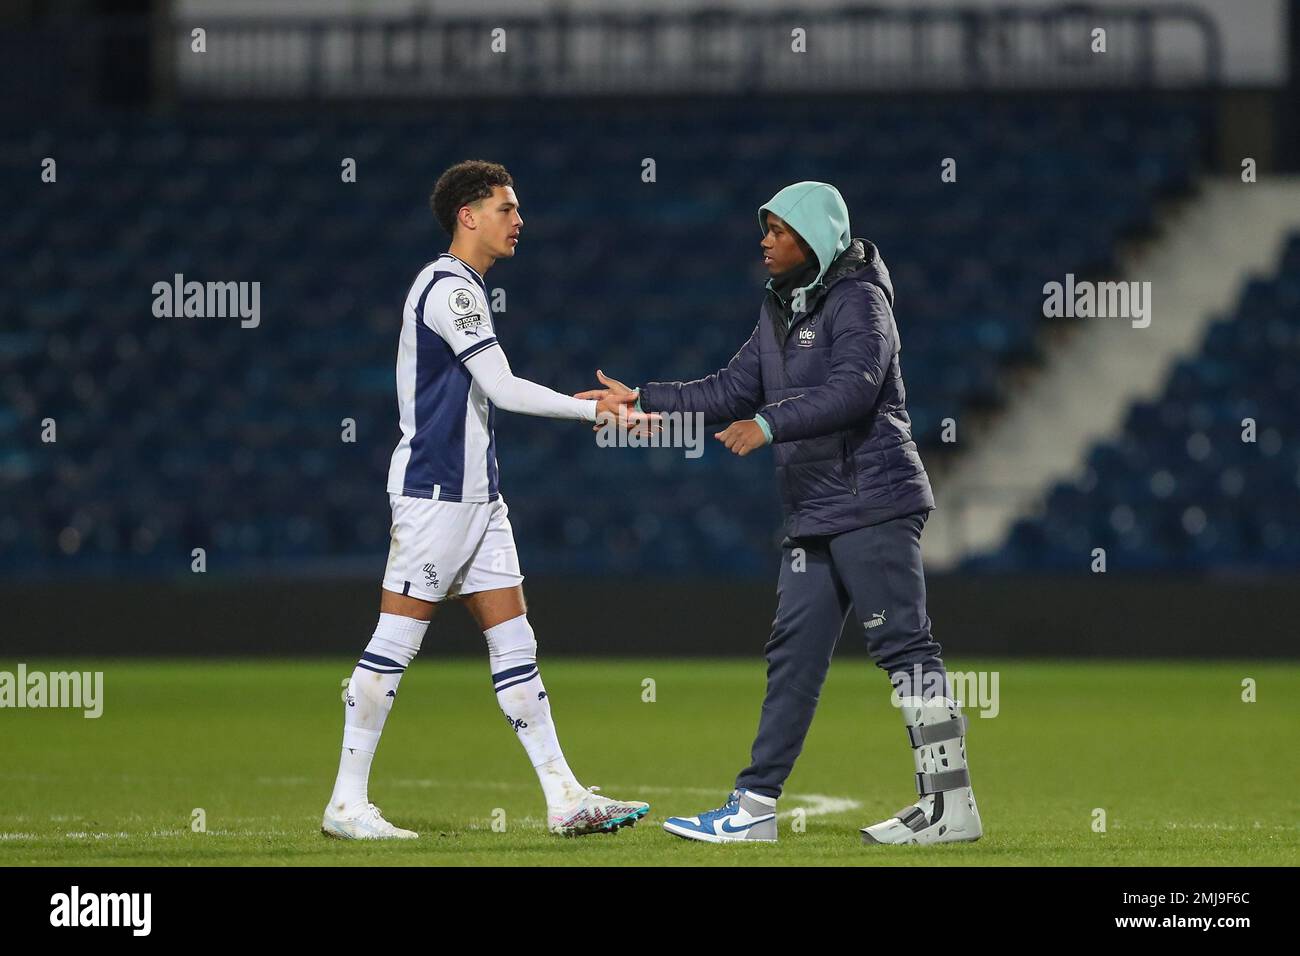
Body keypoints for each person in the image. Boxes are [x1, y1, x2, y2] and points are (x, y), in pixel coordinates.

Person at [581, 181, 982, 845]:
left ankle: (951, 805)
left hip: (871, 501)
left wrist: (768, 425)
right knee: (793, 656)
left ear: (815, 238)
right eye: (764, 229)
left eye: (777, 230)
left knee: (905, 649)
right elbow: (732, 388)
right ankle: (755, 807)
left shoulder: (859, 298)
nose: (764, 242)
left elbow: (853, 390)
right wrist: (647, 398)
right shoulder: (781, 308)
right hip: (815, 512)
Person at [322, 160, 650, 839]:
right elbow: (500, 388)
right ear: (468, 216)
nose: (519, 220)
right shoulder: (451, 289)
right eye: (507, 208)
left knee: (516, 643)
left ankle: (564, 796)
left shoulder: (463, 288)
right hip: (437, 495)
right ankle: (347, 804)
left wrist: (576, 405)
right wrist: (590, 413)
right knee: (393, 646)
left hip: (478, 498)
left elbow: (488, 392)